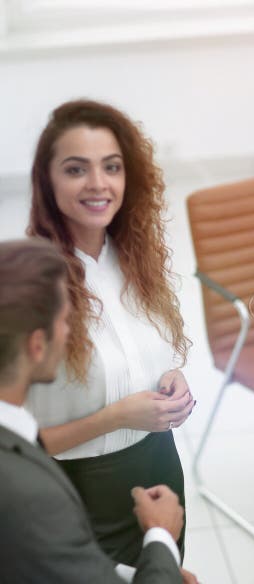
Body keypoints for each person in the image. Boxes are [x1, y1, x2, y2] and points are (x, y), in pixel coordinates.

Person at [24, 99, 196, 566]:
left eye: (112, 167)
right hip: (74, 494)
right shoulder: (28, 287)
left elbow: (140, 354)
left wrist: (171, 380)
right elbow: (15, 446)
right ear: (47, 181)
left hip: (160, 471)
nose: (99, 184)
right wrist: (115, 417)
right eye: (77, 169)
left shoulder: (138, 261)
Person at [0, 238, 194, 584]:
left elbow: (62, 564)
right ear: (36, 344)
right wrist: (161, 539)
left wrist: (151, 568)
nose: (71, 334)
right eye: (66, 322)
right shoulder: (27, 492)